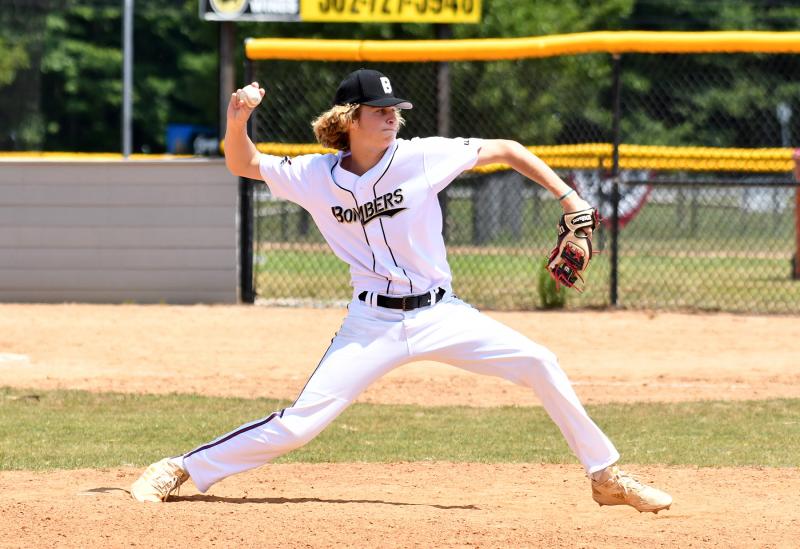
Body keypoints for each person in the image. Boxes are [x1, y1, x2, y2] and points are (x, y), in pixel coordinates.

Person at [131, 69, 672, 513]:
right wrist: (238, 117)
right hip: (372, 325)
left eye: (395, 109)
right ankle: (179, 468)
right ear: (349, 120)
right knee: (298, 425)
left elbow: (505, 148)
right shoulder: (314, 175)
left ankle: (606, 477)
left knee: (539, 361)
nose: (392, 116)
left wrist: (568, 197)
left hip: (443, 314)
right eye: (380, 110)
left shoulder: (420, 156)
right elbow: (241, 162)